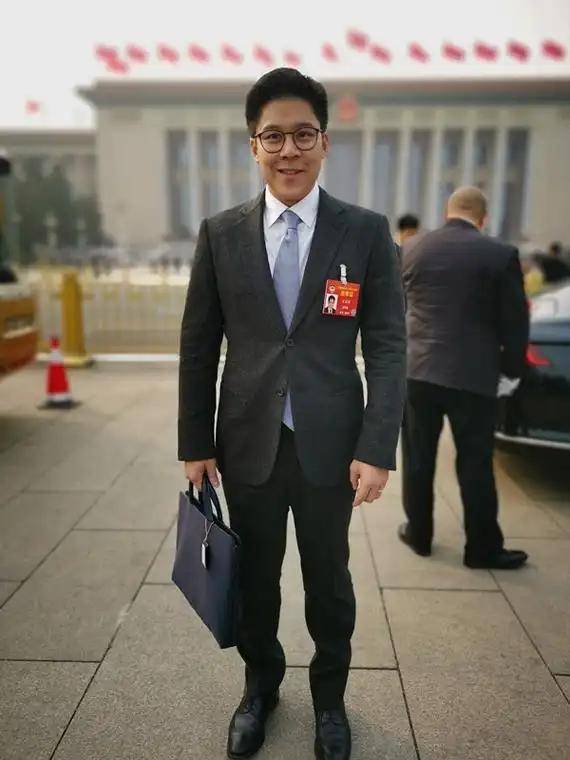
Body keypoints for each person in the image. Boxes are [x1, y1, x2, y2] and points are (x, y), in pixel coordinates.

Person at [178, 67, 406, 760]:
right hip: (246, 442)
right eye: (273, 136)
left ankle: (330, 700)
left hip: (331, 447)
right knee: (255, 579)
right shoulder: (221, 233)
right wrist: (194, 442)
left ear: (325, 142)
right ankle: (260, 689)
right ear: (254, 145)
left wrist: (378, 447)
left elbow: (388, 345)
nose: (288, 150)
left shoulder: (364, 233)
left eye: (303, 134)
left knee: (329, 581)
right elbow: (198, 345)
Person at [400, 186, 529, 570]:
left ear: (447, 212)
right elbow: (515, 322)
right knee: (475, 463)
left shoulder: (412, 248)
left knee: (417, 457)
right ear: (483, 217)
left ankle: (419, 534)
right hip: (473, 375)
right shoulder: (500, 254)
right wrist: (512, 372)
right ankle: (481, 548)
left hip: (419, 371)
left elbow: (397, 308)